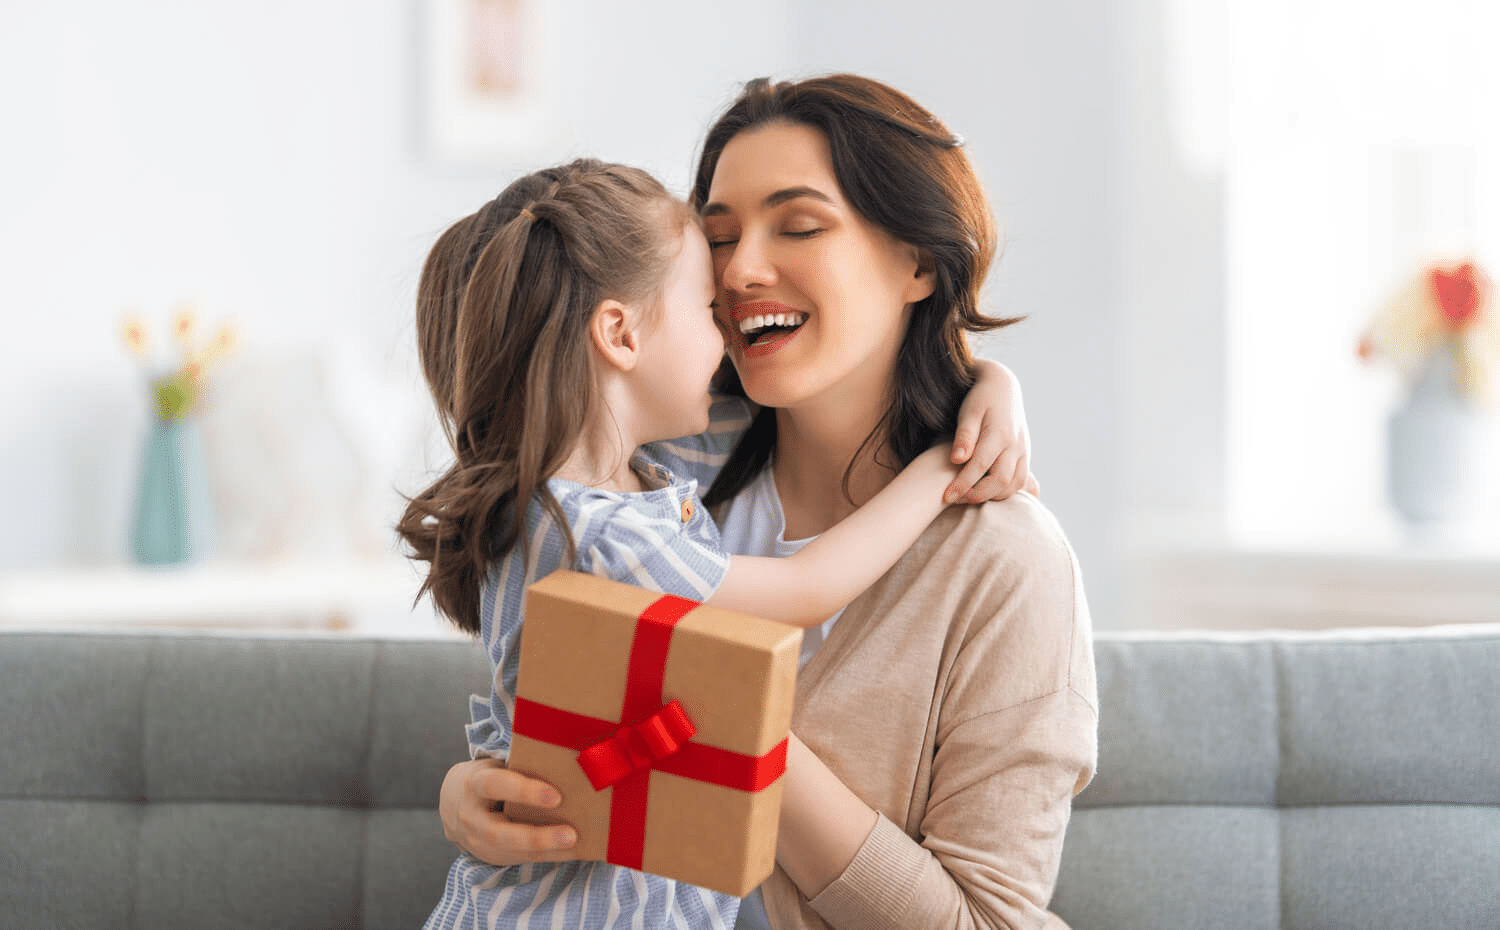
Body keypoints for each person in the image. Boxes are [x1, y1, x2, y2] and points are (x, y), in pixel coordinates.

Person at [438, 74, 1097, 930]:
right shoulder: (659, 469)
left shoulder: (1005, 564)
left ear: (920, 262)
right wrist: (468, 794)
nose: (742, 269)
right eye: (718, 237)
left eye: (799, 225)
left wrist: (721, 727)